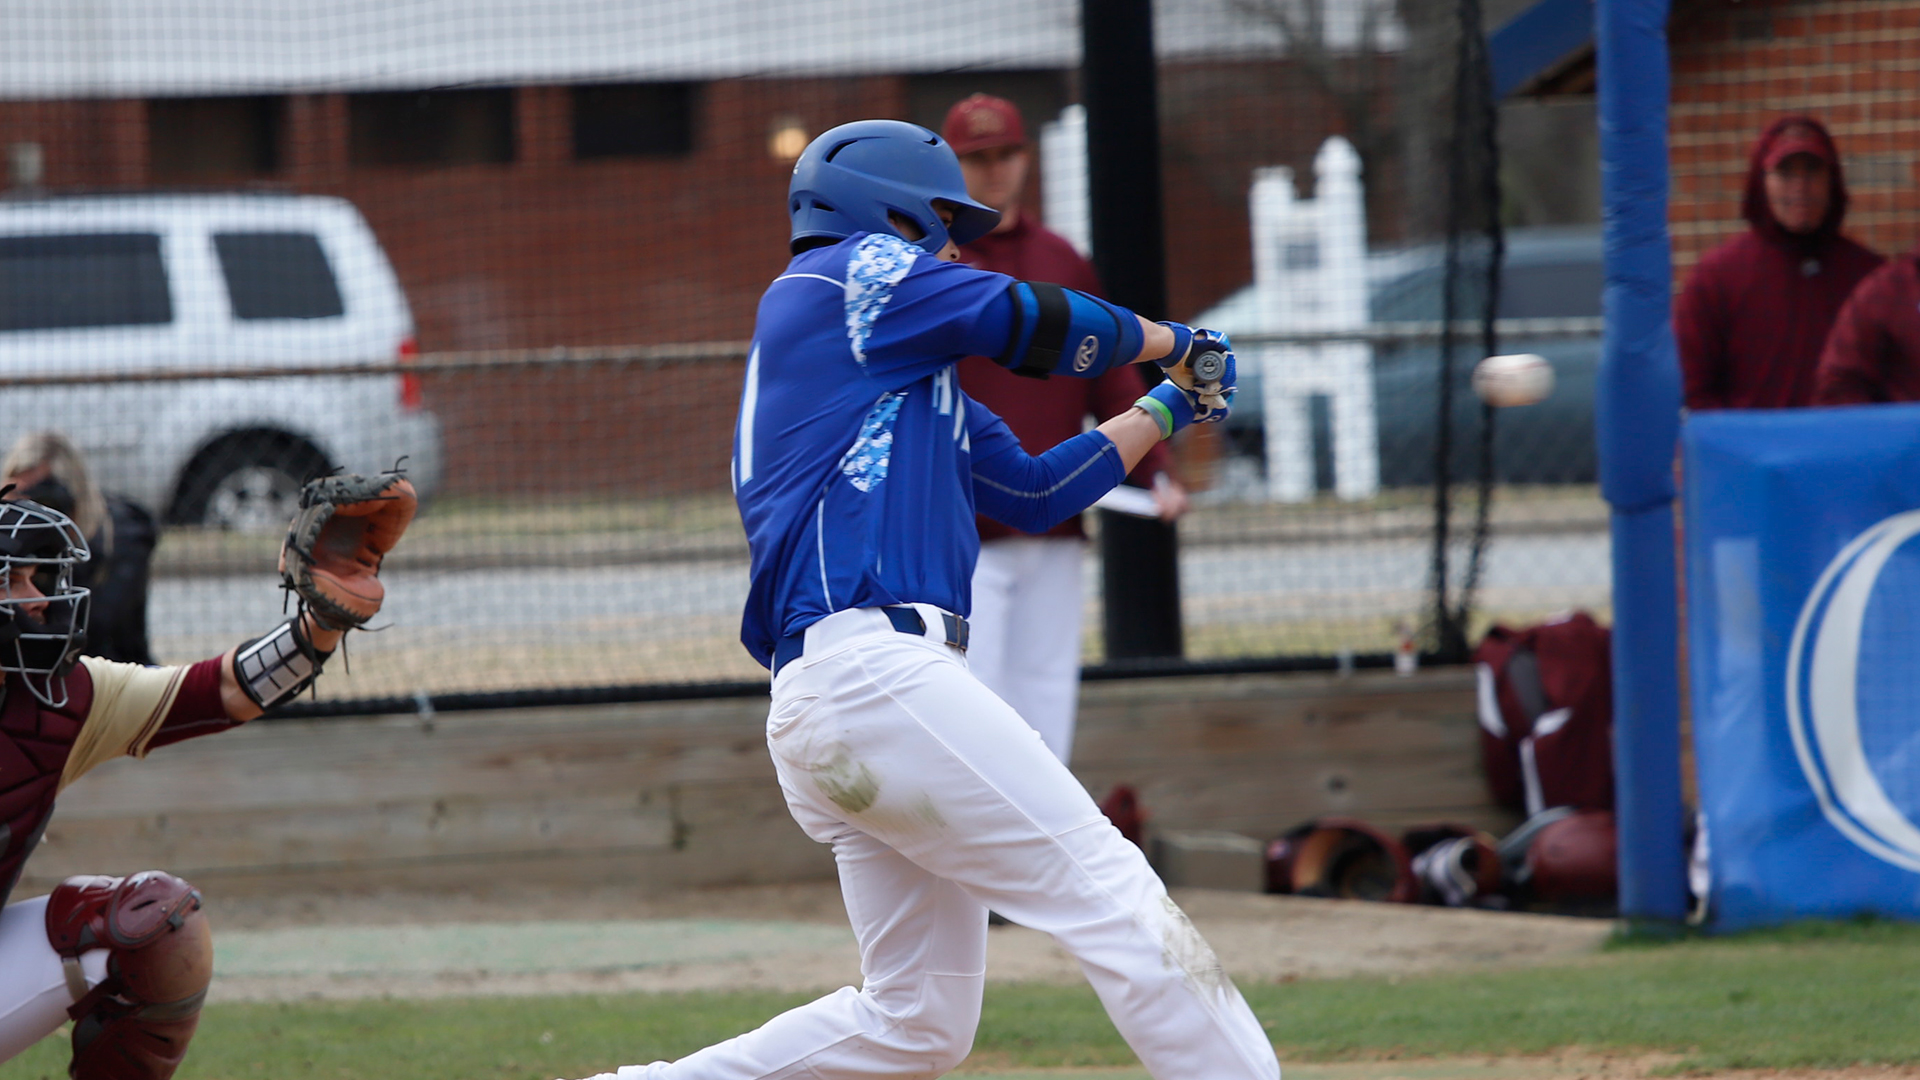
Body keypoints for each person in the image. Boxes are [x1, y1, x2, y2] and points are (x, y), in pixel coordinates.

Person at [568, 119, 1271, 1080]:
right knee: (1113, 894)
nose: (955, 249)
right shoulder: (842, 277)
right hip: (873, 673)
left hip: (848, 695)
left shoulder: (897, 375)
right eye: (944, 223)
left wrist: (1168, 403)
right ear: (889, 211)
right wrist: (1178, 340)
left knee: (917, 1021)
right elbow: (1032, 320)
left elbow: (1035, 492)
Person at [0, 470, 415, 1080]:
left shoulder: (59, 701)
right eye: (11, 582)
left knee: (153, 924)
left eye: (35, 577)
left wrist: (319, 624)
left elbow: (224, 689)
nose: (37, 599)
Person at [942, 93, 1188, 763]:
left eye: (1005, 154)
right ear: (952, 166)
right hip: (967, 530)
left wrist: (1156, 470)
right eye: (977, 158)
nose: (995, 170)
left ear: (1025, 158)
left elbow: (1113, 377)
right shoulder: (937, 266)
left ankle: (1040, 824)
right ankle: (985, 828)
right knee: (972, 699)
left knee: (1046, 694)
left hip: (1056, 523)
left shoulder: (1061, 259)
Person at [1674, 115, 1881, 410]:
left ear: (1831, 180)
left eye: (1812, 170)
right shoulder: (1715, 277)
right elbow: (1693, 388)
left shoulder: (1869, 278)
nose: (1800, 186)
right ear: (1762, 182)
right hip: (1748, 441)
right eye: (1785, 172)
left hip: (1844, 440)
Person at [3, 431, 159, 665]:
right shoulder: (13, 536)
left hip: (112, 663)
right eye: (20, 502)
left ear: (72, 495)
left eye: (43, 501)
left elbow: (93, 625)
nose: (31, 515)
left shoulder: (121, 535)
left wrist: (52, 559)